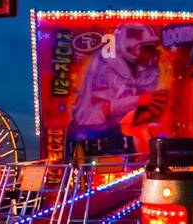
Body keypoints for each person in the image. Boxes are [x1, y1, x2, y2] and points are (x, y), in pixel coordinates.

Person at [64, 23, 167, 158]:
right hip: (88, 133)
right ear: (130, 48)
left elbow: (138, 111)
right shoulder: (105, 66)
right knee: (88, 174)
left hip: (114, 131)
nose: (151, 53)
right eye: (147, 48)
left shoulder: (143, 69)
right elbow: (102, 110)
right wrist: (139, 100)